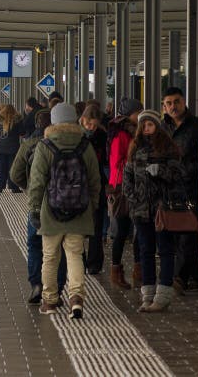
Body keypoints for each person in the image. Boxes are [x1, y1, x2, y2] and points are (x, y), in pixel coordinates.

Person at [28, 103, 101, 319]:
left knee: (50, 257)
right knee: (75, 255)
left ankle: (50, 301)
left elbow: (37, 182)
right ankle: (76, 299)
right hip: (79, 210)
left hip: (51, 212)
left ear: (53, 121)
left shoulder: (45, 145)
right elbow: (95, 180)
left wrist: (33, 208)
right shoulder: (85, 145)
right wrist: (92, 206)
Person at [123, 109, 184, 312]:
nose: (147, 128)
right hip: (140, 210)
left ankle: (163, 295)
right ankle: (147, 295)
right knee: (145, 251)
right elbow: (127, 178)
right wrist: (133, 198)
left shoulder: (168, 149)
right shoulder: (135, 148)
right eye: (144, 125)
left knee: (165, 250)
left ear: (157, 126)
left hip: (162, 209)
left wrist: (162, 172)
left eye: (150, 124)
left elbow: (178, 176)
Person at [11, 109, 67, 305]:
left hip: (36, 204)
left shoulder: (29, 144)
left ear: (36, 124)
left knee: (35, 245)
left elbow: (15, 174)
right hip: (60, 203)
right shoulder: (65, 143)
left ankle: (36, 285)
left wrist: (28, 187)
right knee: (58, 247)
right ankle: (57, 289)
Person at [161, 87, 198, 293]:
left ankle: (179, 278)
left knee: (191, 233)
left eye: (176, 102)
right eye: (169, 103)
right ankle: (196, 277)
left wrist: (187, 170)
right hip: (171, 190)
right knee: (178, 234)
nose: (173, 106)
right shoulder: (162, 128)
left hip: (195, 188)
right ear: (164, 105)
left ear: (184, 102)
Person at [107, 97, 144, 289]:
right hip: (122, 187)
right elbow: (116, 163)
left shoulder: (133, 131)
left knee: (138, 228)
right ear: (130, 114)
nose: (141, 115)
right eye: (139, 111)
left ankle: (139, 269)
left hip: (134, 185)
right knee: (121, 231)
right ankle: (116, 271)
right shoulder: (121, 134)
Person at [80, 105, 107, 274]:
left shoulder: (102, 136)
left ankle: (95, 263)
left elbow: (103, 161)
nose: (91, 128)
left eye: (95, 125)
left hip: (97, 184)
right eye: (89, 124)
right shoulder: (75, 135)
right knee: (79, 227)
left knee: (97, 226)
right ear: (82, 119)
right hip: (78, 186)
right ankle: (80, 261)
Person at [0, 104, 25, 193]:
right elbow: (22, 132)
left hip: (1, 148)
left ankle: (0, 187)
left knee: (1, 167)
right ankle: (14, 188)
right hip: (14, 148)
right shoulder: (18, 120)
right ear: (14, 111)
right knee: (13, 168)